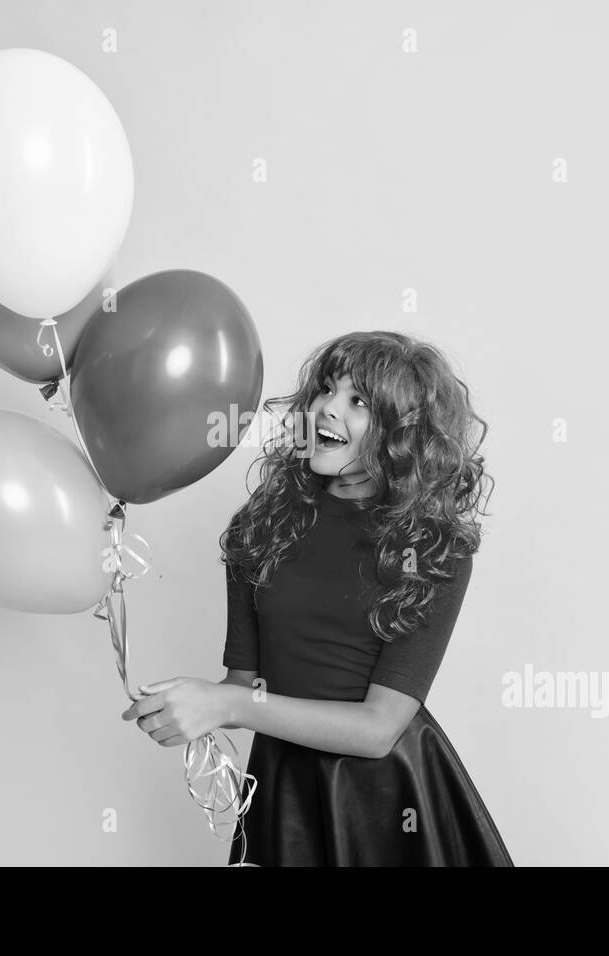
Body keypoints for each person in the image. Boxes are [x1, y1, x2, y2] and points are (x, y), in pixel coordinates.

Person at [122, 331, 514, 866]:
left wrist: (229, 705)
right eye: (326, 389)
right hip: (283, 787)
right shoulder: (261, 528)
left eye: (359, 401)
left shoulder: (434, 551)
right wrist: (191, 708)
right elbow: (244, 687)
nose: (328, 408)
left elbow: (379, 729)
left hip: (387, 797)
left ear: (404, 431)